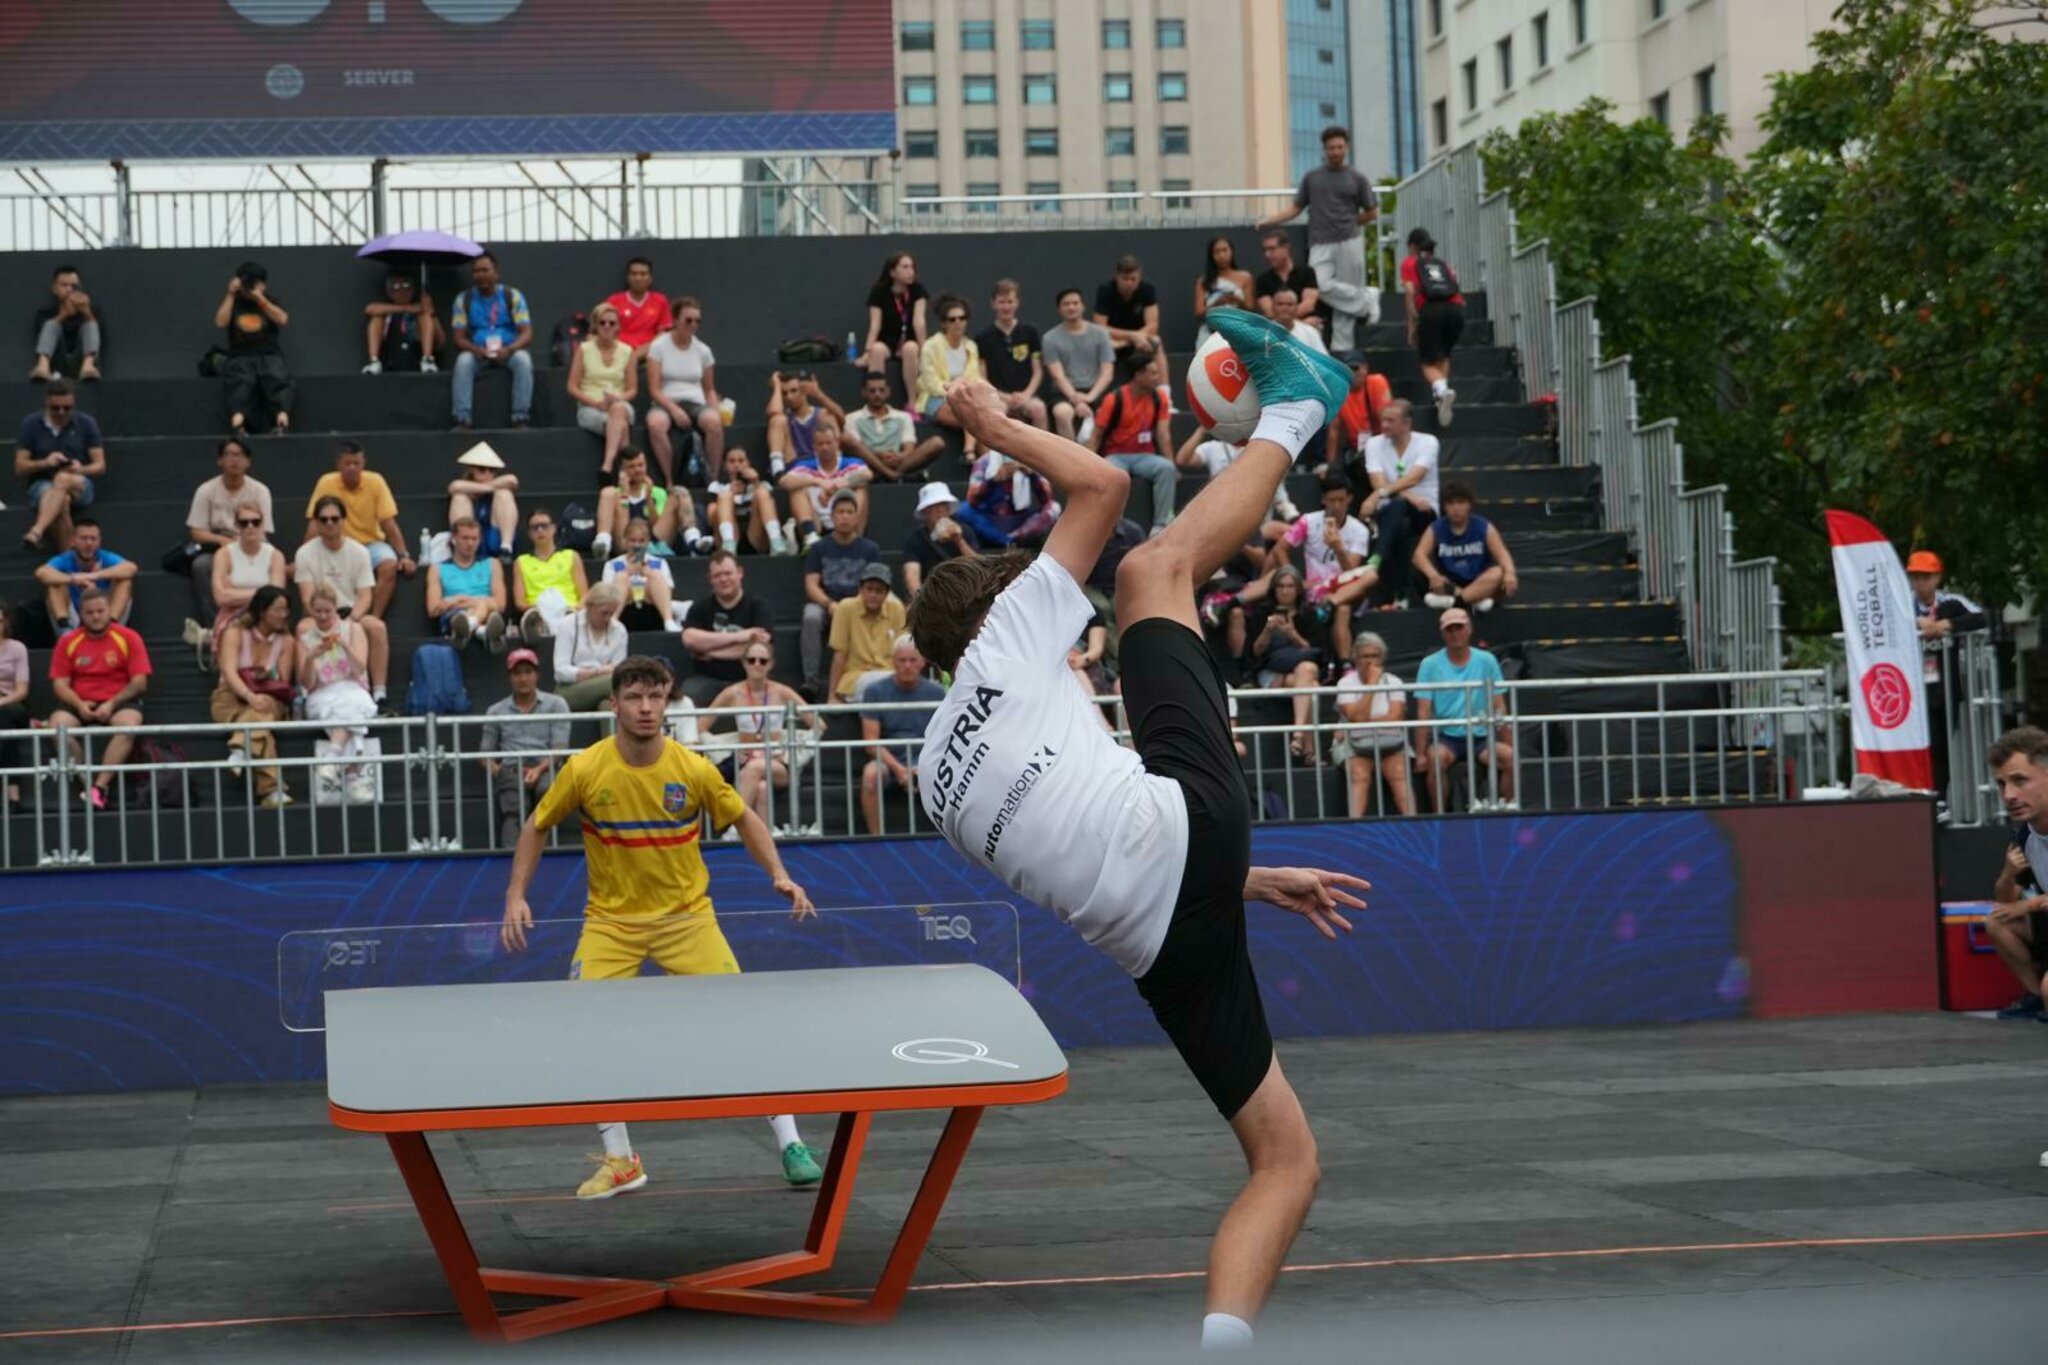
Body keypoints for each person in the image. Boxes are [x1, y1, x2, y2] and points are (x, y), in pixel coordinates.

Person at [903, 310, 1364, 1351]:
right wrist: (990, 422)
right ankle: (1299, 404)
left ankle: (1223, 1342)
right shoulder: (1010, 636)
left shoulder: (933, 784)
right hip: (1187, 829)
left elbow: (1074, 836)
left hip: (1163, 942)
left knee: (1286, 1162)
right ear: (1003, 611)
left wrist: (1244, 877)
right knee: (1149, 571)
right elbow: (1102, 489)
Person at [500, 656, 824, 1197]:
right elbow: (536, 826)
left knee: (744, 1024)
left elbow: (745, 817)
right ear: (614, 706)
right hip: (611, 923)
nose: (646, 708)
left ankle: (791, 1142)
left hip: (687, 919)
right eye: (635, 698)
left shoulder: (692, 769)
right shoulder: (585, 769)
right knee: (583, 1030)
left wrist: (780, 874)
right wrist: (515, 895)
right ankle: (621, 1161)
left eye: (656, 697)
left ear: (669, 703)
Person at [1256, 125, 1380, 355]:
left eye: (1339, 147)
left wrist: (1352, 223)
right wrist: (1269, 221)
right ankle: (1367, 298)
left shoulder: (1357, 178)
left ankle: (1343, 349)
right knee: (1320, 284)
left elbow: (1372, 212)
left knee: (1345, 300)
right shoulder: (1312, 178)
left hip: (1349, 240)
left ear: (1347, 148)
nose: (1335, 151)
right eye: (1331, 147)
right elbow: (1295, 208)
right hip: (1320, 241)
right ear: (1324, 149)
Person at [50, 588, 151, 810]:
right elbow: (59, 684)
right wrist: (78, 704)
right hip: (79, 700)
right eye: (90, 612)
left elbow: (139, 682)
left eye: (100, 611)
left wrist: (112, 703)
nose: (96, 616)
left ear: (109, 610)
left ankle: (100, 787)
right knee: (57, 727)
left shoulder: (128, 638)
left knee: (130, 725)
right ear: (81, 614)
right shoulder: (68, 641)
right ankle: (86, 784)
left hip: (118, 699)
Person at [709, 642, 820, 833]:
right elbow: (701, 725)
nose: (757, 665)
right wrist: (725, 750)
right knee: (761, 788)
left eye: (763, 660)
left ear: (771, 664)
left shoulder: (782, 691)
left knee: (753, 769)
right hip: (746, 761)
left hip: (778, 764)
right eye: (752, 660)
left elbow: (818, 724)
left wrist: (790, 748)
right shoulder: (732, 693)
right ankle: (766, 834)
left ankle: (734, 829)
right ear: (744, 663)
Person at [294, 495, 391, 706]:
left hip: (351, 613)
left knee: (377, 627)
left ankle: (380, 693)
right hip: (318, 615)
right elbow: (306, 597)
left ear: (343, 521)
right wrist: (326, 617)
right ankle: (304, 690)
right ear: (317, 523)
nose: (329, 523)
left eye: (335, 518)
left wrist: (352, 618)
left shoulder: (360, 552)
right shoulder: (304, 553)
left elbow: (366, 594)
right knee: (303, 628)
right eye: (324, 519)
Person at [1908, 550, 1989, 801]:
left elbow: (1980, 617)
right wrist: (1916, 623)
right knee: (1916, 748)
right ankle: (1914, 800)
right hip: (1911, 692)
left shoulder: (1951, 603)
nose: (1921, 582)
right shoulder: (1901, 603)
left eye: (1926, 576)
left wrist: (1948, 625)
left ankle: (1939, 801)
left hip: (1945, 690)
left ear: (1937, 578)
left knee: (1942, 749)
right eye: (1916, 577)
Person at [1415, 606, 1514, 811]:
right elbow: (1423, 711)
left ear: (1469, 629)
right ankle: (1439, 817)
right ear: (1442, 633)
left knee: (1509, 757)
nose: (1455, 633)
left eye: (1459, 628)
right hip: (1447, 738)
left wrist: (1509, 743)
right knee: (1435, 759)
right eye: (1450, 629)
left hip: (1481, 737)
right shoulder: (1429, 664)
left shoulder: (1487, 660)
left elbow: (1499, 705)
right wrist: (1421, 754)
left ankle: (1509, 811)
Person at [305, 442, 415, 622]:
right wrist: (304, 553)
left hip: (370, 544)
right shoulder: (326, 482)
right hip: (336, 543)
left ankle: (373, 618)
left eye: (356, 463)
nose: (352, 468)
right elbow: (316, 522)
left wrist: (403, 555)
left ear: (363, 463)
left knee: (389, 564)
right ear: (338, 465)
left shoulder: (376, 481)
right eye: (347, 464)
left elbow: (389, 523)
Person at [1274, 476, 1379, 661]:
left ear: (1349, 499)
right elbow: (1280, 549)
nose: (1337, 505)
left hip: (1345, 587)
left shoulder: (1359, 530)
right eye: (1331, 500)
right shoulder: (1308, 521)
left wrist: (1338, 548)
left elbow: (1351, 572)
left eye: (1341, 500)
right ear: (1323, 500)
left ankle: (1329, 606)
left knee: (1371, 575)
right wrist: (1296, 580)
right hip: (1317, 589)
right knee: (1343, 610)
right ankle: (1345, 662)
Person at [211, 584, 297, 808]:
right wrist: (249, 696)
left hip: (269, 697)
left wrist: (267, 675)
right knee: (261, 730)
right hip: (230, 696)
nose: (283, 615)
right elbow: (228, 671)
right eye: (278, 609)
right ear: (262, 610)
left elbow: (283, 680)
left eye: (285, 610)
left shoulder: (287, 641)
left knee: (264, 709)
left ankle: (241, 747)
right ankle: (271, 791)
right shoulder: (234, 632)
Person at [296, 582, 380, 804]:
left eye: (327, 611)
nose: (323, 616)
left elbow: (360, 669)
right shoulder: (305, 635)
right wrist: (310, 658)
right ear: (311, 611)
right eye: (318, 611)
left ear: (335, 609)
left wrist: (345, 646)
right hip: (322, 691)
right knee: (349, 711)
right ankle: (353, 776)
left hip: (352, 686)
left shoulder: (354, 629)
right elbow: (307, 683)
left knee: (352, 703)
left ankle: (333, 756)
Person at [1987, 728, 2048, 1024]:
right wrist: (2008, 873)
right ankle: (2035, 996)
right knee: (1996, 921)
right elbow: (2003, 902)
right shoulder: (2025, 835)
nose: (2009, 795)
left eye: (2020, 780)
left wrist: (2026, 906)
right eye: (2001, 784)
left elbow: (2020, 904)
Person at [480, 648, 571, 847]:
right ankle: (509, 862)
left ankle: (547, 858)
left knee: (547, 792)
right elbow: (483, 755)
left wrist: (538, 770)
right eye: (517, 673)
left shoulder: (557, 704)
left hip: (546, 766)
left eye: (528, 672)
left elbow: (560, 747)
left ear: (537, 675)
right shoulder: (495, 711)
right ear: (510, 677)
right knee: (514, 807)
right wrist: (502, 772)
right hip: (511, 769)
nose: (523, 678)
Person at [1245, 566, 1334, 764]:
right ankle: (1308, 749)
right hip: (1271, 671)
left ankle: (1299, 736)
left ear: (1298, 589)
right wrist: (1268, 631)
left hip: (1300, 670)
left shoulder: (1308, 614)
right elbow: (1254, 652)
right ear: (1274, 589)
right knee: (1311, 686)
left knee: (1308, 669)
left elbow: (1316, 651)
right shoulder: (1261, 613)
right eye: (1281, 586)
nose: (1285, 591)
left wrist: (1292, 633)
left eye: (1290, 586)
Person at [858, 636, 945, 835]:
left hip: (924, 757)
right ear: (893, 661)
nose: (907, 666)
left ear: (922, 663)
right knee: (870, 775)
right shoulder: (874, 691)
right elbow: (871, 742)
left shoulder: (937, 692)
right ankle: (877, 838)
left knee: (943, 775)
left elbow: (943, 739)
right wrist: (899, 769)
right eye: (902, 660)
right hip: (889, 759)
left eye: (912, 660)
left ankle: (945, 838)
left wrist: (922, 766)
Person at [1360, 399, 1442, 606]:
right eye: (1383, 420)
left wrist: (1379, 494)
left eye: (1390, 420)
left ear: (1407, 423)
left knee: (1397, 509)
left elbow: (1414, 477)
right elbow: (1377, 482)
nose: (1384, 425)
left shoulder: (1428, 442)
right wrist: (1406, 496)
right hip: (1393, 512)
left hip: (1425, 512)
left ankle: (1378, 557)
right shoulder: (1373, 443)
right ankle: (1403, 595)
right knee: (1401, 522)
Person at [1089, 348, 1178, 539]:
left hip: (1145, 455)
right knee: (1114, 475)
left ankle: (1162, 524)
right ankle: (1115, 525)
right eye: (1153, 373)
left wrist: (1172, 463)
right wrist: (1088, 465)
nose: (1158, 377)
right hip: (1116, 455)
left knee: (1166, 468)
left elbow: (1163, 434)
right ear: (1139, 375)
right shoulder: (1114, 399)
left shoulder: (1159, 398)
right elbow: (1096, 435)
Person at [801, 490, 881, 699]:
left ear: (856, 517)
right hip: (827, 604)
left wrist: (851, 605)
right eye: (840, 512)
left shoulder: (870, 549)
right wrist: (829, 604)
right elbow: (811, 585)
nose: (845, 516)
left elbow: (876, 585)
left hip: (858, 604)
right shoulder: (819, 548)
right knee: (810, 615)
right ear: (833, 516)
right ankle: (811, 680)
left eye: (849, 512)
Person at [185, 436, 274, 624]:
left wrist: (243, 543)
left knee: (274, 560)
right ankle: (213, 624)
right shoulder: (206, 490)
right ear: (219, 460)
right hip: (218, 546)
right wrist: (223, 542)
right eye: (228, 455)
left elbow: (264, 531)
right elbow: (196, 531)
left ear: (248, 462)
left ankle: (264, 619)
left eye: (239, 455)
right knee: (201, 565)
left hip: (253, 543)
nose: (234, 460)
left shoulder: (260, 491)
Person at [16, 379, 106, 551]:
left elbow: (100, 465)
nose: (61, 412)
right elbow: (20, 467)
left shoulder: (86, 423)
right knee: (61, 500)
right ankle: (71, 564)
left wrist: (79, 468)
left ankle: (37, 530)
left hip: (78, 483)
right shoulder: (31, 424)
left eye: (67, 408)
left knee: (63, 478)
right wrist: (45, 462)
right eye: (55, 408)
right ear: (47, 402)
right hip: (42, 485)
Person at [643, 296, 725, 485]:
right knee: (655, 423)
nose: (693, 325)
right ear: (675, 320)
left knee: (713, 422)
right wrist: (674, 409)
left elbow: (709, 389)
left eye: (697, 321)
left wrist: (714, 411)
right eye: (688, 320)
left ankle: (712, 479)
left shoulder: (703, 351)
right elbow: (654, 389)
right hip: (665, 401)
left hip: (695, 402)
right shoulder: (658, 347)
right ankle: (670, 478)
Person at [449, 251, 534, 429]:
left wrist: (509, 349)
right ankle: (462, 419)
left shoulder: (513, 296)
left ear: (496, 273)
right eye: (476, 271)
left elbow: (527, 333)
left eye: (485, 270)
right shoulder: (463, 300)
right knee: (463, 361)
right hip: (478, 352)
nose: (480, 275)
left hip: (507, 351)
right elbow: (459, 338)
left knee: (523, 360)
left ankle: (520, 417)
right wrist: (474, 350)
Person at [680, 550, 774, 706]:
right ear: (710, 579)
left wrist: (710, 651)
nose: (723, 579)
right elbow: (689, 638)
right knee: (685, 700)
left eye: (728, 573)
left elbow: (759, 648)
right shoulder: (700, 607)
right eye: (717, 576)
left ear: (740, 573)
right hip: (706, 678)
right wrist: (740, 636)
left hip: (749, 678)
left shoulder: (758, 605)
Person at [1335, 633, 1413, 817]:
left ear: (1382, 658)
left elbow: (1395, 717)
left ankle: (1413, 824)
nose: (1369, 662)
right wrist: (1371, 685)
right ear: (1355, 658)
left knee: (1399, 774)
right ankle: (1355, 827)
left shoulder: (1394, 682)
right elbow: (1355, 718)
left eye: (1374, 656)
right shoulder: (1345, 683)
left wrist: (1364, 723)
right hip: (1355, 743)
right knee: (1359, 776)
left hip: (1390, 741)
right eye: (1364, 656)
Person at [1415, 480, 1517, 612]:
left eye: (1461, 502)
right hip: (1450, 584)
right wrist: (1433, 575)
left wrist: (1510, 573)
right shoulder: (1436, 527)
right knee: (1420, 572)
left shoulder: (1483, 526)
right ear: (1444, 506)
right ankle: (1475, 600)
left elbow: (1502, 554)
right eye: (1451, 503)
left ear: (1469, 504)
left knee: (1498, 573)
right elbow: (1418, 555)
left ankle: (1457, 602)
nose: (1456, 508)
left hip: (1479, 581)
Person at [216, 261, 292, 436]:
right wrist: (230, 294)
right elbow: (220, 322)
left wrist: (261, 299)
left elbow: (283, 320)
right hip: (240, 355)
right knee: (241, 384)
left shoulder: (269, 301)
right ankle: (238, 424)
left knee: (277, 380)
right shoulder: (234, 302)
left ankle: (282, 421)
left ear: (263, 285)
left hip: (268, 353)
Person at [205, 498, 288, 655]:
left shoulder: (275, 556)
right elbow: (221, 598)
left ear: (262, 524)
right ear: (237, 526)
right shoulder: (224, 554)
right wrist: (263, 591)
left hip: (267, 617)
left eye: (255, 522)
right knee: (233, 632)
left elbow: (277, 598)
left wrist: (234, 592)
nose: (250, 526)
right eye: (244, 523)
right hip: (233, 617)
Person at [1401, 229, 1465, 427]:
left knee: (1427, 362)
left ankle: (1442, 390)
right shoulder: (1441, 264)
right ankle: (1440, 398)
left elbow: (1410, 291)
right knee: (1442, 355)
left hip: (1431, 310)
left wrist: (1412, 324)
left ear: (1412, 246)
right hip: (1456, 310)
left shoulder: (1410, 263)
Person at [595, 446, 707, 561]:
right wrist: (624, 494)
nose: (638, 470)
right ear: (622, 470)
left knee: (680, 492)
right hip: (626, 542)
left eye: (640, 465)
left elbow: (656, 525)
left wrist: (648, 499)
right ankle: (603, 544)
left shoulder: (657, 492)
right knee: (607, 492)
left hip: (655, 542)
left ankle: (693, 541)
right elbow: (623, 530)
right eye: (631, 467)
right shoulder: (616, 493)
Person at [569, 300, 639, 475]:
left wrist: (618, 398)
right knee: (620, 425)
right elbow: (572, 386)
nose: (607, 326)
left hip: (620, 403)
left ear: (617, 326)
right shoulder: (584, 350)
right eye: (602, 322)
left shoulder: (627, 351)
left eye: (612, 323)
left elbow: (632, 389)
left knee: (618, 409)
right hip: (590, 407)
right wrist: (596, 403)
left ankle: (607, 465)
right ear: (595, 325)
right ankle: (625, 473)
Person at [777, 412, 869, 545]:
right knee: (795, 489)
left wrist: (840, 485)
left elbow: (867, 475)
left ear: (836, 444)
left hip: (844, 518)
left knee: (861, 488)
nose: (825, 447)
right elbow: (784, 482)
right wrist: (818, 482)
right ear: (814, 447)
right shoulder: (806, 465)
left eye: (828, 443)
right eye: (820, 444)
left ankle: (855, 537)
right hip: (817, 521)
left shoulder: (850, 463)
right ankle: (810, 536)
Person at [1042, 287, 1118, 444]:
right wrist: (1076, 400)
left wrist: (1090, 397)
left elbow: (1107, 372)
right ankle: (1071, 458)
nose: (1071, 307)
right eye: (1066, 304)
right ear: (1059, 309)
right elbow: (1057, 375)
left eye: (1075, 303)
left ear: (1083, 306)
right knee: (1062, 413)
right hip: (1065, 394)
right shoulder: (1049, 338)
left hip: (1095, 391)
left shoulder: (1100, 334)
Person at [36, 516, 135, 631]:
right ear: (72, 541)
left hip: (104, 615)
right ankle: (65, 629)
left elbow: (131, 568)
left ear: (99, 541)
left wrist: (93, 576)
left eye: (93, 539)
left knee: (125, 581)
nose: (89, 544)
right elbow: (41, 573)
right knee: (54, 584)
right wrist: (74, 579)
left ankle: (111, 626)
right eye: (83, 538)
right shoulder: (66, 559)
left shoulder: (105, 557)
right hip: (74, 619)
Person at [914, 294, 985, 449]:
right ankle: (972, 453)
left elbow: (974, 378)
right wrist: (957, 394)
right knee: (977, 421)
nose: (958, 322)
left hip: (964, 399)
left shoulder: (971, 347)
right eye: (952, 319)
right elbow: (931, 383)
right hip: (935, 399)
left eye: (962, 318)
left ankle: (973, 456)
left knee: (981, 421)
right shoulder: (930, 346)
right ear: (944, 323)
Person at [844, 373, 945, 482]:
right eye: (872, 391)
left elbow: (909, 448)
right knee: (846, 439)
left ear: (888, 392)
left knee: (937, 443)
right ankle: (892, 475)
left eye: (881, 390)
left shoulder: (903, 417)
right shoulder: (852, 418)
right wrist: (878, 455)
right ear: (863, 392)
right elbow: (857, 448)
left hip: (897, 462)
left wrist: (899, 456)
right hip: (868, 464)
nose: (877, 394)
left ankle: (889, 475)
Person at [975, 279, 1049, 430]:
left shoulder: (1030, 332)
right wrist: (1005, 397)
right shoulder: (982, 338)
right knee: (997, 412)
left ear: (1017, 303)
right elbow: (982, 376)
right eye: (1001, 302)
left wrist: (1026, 395)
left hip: (1026, 395)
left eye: (1010, 301)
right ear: (993, 304)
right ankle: (997, 454)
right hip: (998, 397)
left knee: (1039, 409)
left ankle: (1040, 453)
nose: (1006, 307)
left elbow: (1038, 371)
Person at [828, 562, 906, 702]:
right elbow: (840, 654)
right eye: (869, 589)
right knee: (878, 687)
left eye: (879, 591)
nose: (873, 595)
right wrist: (832, 695)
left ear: (887, 593)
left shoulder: (897, 609)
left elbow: (903, 650)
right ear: (860, 589)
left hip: (892, 675)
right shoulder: (845, 608)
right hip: (855, 678)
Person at [427, 517, 508, 650]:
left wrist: (454, 600)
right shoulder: (437, 569)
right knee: (477, 608)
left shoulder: (492, 564)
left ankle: (469, 628)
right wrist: (474, 602)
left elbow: (500, 604)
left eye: (474, 539)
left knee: (486, 610)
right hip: (454, 617)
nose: (470, 543)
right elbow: (433, 609)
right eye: (465, 538)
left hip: (484, 614)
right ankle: (481, 631)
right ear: (454, 539)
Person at [511, 506, 589, 643]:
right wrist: (543, 610)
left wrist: (573, 609)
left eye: (544, 526)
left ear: (553, 528)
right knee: (536, 615)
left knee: (570, 616)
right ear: (529, 533)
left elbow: (584, 596)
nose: (540, 530)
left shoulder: (571, 556)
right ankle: (539, 628)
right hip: (538, 611)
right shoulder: (521, 562)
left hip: (568, 610)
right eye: (535, 527)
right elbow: (520, 602)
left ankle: (565, 627)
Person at [552, 582, 628, 712]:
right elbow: (560, 671)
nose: (608, 618)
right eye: (604, 613)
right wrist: (597, 672)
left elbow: (618, 669)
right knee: (614, 683)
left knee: (608, 705)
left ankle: (611, 733)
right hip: (569, 690)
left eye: (612, 613)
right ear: (589, 606)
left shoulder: (619, 630)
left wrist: (588, 673)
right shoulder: (568, 625)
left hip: (605, 687)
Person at [1094, 254, 1167, 387]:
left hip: (1139, 341)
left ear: (1139, 277)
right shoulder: (1105, 290)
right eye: (1125, 279)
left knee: (1156, 341)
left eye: (1133, 279)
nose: (1129, 283)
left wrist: (1131, 339)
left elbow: (1152, 325)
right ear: (1117, 277)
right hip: (1112, 341)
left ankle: (1165, 394)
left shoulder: (1147, 290)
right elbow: (1100, 327)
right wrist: (1132, 336)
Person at [962, 446, 1058, 547]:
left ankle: (1015, 538)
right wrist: (993, 481)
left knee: (1054, 508)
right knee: (964, 510)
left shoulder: (1030, 461)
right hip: (990, 517)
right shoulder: (983, 462)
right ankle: (1006, 541)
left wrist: (1032, 475)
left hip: (1020, 519)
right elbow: (972, 500)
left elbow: (1046, 499)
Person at [602, 516, 683, 633]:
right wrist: (627, 572)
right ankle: (611, 623)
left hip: (652, 608)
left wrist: (647, 572)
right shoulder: (613, 564)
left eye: (641, 541)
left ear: (648, 541)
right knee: (621, 577)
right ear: (625, 540)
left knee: (655, 575)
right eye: (632, 540)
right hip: (624, 609)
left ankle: (668, 621)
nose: (637, 545)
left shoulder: (659, 563)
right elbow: (606, 594)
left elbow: (668, 591)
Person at [765, 367, 847, 481]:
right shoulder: (784, 417)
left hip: (819, 462)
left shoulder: (820, 414)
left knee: (828, 416)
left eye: (794, 391)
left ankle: (835, 467)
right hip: (793, 465)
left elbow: (841, 418)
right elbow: (773, 412)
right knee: (777, 420)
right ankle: (778, 472)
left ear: (804, 391)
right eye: (784, 393)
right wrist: (777, 387)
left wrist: (818, 393)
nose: (789, 397)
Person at [707, 446, 791, 556]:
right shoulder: (717, 487)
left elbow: (773, 509)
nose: (737, 465)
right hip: (727, 536)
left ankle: (776, 542)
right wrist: (731, 493)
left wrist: (756, 483)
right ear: (725, 466)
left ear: (748, 463)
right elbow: (710, 519)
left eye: (741, 461)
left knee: (762, 493)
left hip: (757, 535)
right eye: (731, 461)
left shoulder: (763, 485)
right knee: (725, 496)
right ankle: (729, 545)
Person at [862, 250, 929, 387]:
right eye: (905, 267)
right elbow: (875, 324)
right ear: (892, 272)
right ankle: (877, 397)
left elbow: (919, 322)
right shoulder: (878, 292)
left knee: (910, 348)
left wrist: (925, 352)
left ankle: (912, 401)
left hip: (909, 340)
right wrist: (867, 351)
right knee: (877, 350)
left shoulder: (918, 290)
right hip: (887, 341)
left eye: (912, 267)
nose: (910, 271)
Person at [902, 481, 980, 597]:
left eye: (943, 505)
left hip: (965, 594)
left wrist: (959, 540)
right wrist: (923, 602)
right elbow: (912, 578)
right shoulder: (915, 539)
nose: (939, 510)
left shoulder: (965, 531)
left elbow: (979, 567)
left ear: (949, 508)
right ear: (924, 512)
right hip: (932, 596)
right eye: (933, 507)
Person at [445, 439, 520, 558]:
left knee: (504, 494)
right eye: (482, 469)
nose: (487, 474)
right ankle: (460, 549)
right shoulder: (463, 487)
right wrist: (487, 488)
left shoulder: (500, 488)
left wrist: (486, 488)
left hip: (494, 538)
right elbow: (455, 486)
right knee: (459, 498)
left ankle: (506, 549)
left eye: (492, 470)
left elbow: (512, 480)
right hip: (471, 540)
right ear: (472, 470)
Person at [1326, 354, 1392, 484]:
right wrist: (1331, 466)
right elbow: (1334, 431)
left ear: (1365, 369)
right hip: (1355, 449)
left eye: (1355, 368)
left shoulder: (1376, 382)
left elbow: (1386, 418)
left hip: (1381, 442)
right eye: (1347, 369)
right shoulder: (1339, 390)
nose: (1351, 373)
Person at [31, 264, 102, 381]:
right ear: (54, 288)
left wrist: (87, 313)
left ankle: (89, 366)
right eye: (64, 285)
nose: (69, 289)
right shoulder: (45, 313)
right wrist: (63, 315)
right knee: (51, 324)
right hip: (56, 363)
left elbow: (98, 335)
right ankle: (42, 366)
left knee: (91, 324)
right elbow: (42, 336)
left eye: (73, 286)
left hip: (80, 363)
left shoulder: (92, 311)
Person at [362, 271, 439, 374]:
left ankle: (427, 359)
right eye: (396, 287)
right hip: (390, 356)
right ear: (389, 291)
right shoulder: (386, 309)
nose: (402, 291)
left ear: (413, 289)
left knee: (424, 317)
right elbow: (369, 309)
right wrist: (408, 308)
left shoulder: (421, 310)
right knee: (376, 319)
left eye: (406, 286)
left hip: (415, 355)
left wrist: (431, 313)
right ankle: (373, 361)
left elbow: (440, 343)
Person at [1193, 237, 1255, 346]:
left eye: (1225, 250)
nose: (1221, 255)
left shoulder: (1245, 277)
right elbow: (1198, 312)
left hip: (1238, 332)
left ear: (1232, 251)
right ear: (1211, 255)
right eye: (1217, 252)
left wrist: (1237, 300)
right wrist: (1217, 303)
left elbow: (1250, 308)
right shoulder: (1203, 281)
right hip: (1210, 333)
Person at [605, 256, 670, 351]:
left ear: (650, 278)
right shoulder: (614, 301)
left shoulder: (660, 301)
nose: (638, 278)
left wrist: (642, 351)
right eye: (634, 274)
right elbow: (605, 330)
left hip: (650, 355)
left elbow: (664, 333)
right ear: (628, 277)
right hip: (619, 354)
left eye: (643, 274)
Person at [1253, 231, 1321, 322]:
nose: (1267, 255)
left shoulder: (1307, 273)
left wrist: (1290, 321)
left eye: (1272, 249)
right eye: (1264, 250)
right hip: (1282, 328)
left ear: (1286, 248)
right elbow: (1270, 312)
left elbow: (1308, 305)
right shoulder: (1262, 279)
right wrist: (1299, 323)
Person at [0, 604, 28, 806]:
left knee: (5, 717)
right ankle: (12, 794)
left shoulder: (17, 648)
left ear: (6, 622)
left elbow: (21, 691)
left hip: (12, 703)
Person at [1270, 287, 1328, 354]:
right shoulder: (1263, 331)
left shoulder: (1310, 332)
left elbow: (1323, 358)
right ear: (1273, 307)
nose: (1285, 308)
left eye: (1289, 304)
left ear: (1296, 307)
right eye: (1280, 304)